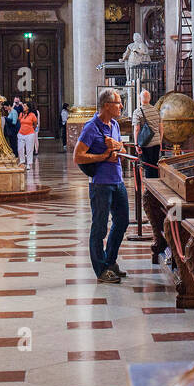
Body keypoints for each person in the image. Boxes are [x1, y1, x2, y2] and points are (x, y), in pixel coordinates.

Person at [74, 89, 129, 283]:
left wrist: (116, 145)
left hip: (118, 181)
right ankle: (101, 270)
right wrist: (103, 156)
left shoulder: (114, 124)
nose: (121, 106)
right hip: (100, 184)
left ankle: (110, 261)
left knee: (122, 221)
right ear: (107, 105)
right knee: (99, 227)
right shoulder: (91, 127)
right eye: (118, 103)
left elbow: (120, 146)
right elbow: (78, 156)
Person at [132, 88, 164, 179]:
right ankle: (156, 187)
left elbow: (137, 129)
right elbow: (161, 128)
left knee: (148, 167)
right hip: (156, 142)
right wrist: (160, 141)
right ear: (149, 99)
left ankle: (150, 189)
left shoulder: (137, 112)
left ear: (140, 99)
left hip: (146, 143)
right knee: (155, 165)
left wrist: (136, 144)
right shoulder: (156, 111)